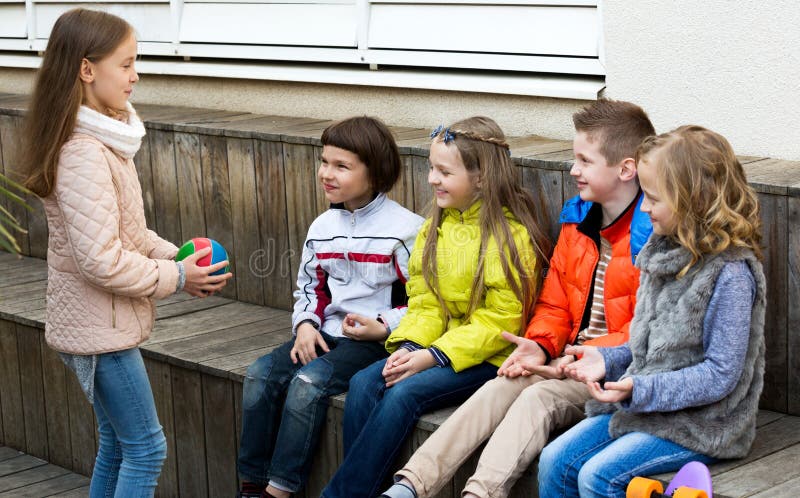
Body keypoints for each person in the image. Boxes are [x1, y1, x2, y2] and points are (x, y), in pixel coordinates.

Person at [381, 99, 655, 498]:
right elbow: (554, 305)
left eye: (584, 160)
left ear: (626, 169)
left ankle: (480, 493)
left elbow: (647, 331)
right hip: (564, 360)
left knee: (537, 398)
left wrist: (578, 358)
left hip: (612, 373)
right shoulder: (578, 222)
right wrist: (539, 345)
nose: (573, 169)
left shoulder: (653, 235)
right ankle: (410, 486)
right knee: (500, 385)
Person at [20, 8, 231, 497]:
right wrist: (178, 276)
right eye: (126, 63)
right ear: (86, 69)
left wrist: (179, 259)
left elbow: (126, 235)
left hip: (100, 322)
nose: (136, 75)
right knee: (146, 449)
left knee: (117, 446)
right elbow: (101, 260)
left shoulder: (103, 141)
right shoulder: (84, 152)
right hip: (100, 329)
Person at [322, 116, 551, 498]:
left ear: (481, 178)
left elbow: (500, 321)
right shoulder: (434, 229)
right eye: (432, 168)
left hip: (488, 358)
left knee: (404, 394)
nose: (432, 179)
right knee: (364, 383)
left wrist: (433, 356)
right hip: (437, 348)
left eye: (444, 172)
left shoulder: (511, 238)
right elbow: (425, 302)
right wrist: (411, 346)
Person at [537, 125, 766, 498]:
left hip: (704, 424)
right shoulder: (661, 252)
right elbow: (649, 344)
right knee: (554, 460)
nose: (643, 207)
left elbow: (720, 375)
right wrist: (606, 359)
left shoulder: (731, 274)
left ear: (694, 199)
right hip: (649, 407)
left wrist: (639, 389)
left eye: (654, 198)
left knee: (598, 476)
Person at [236, 116, 424, 498]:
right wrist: (305, 325)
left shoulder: (406, 229)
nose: (326, 173)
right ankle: (251, 484)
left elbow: (422, 301)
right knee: (259, 375)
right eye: (324, 162)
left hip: (373, 343)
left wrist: (384, 325)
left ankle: (279, 490)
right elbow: (310, 286)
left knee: (308, 384)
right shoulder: (322, 227)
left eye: (341, 166)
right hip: (323, 332)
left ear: (375, 172)